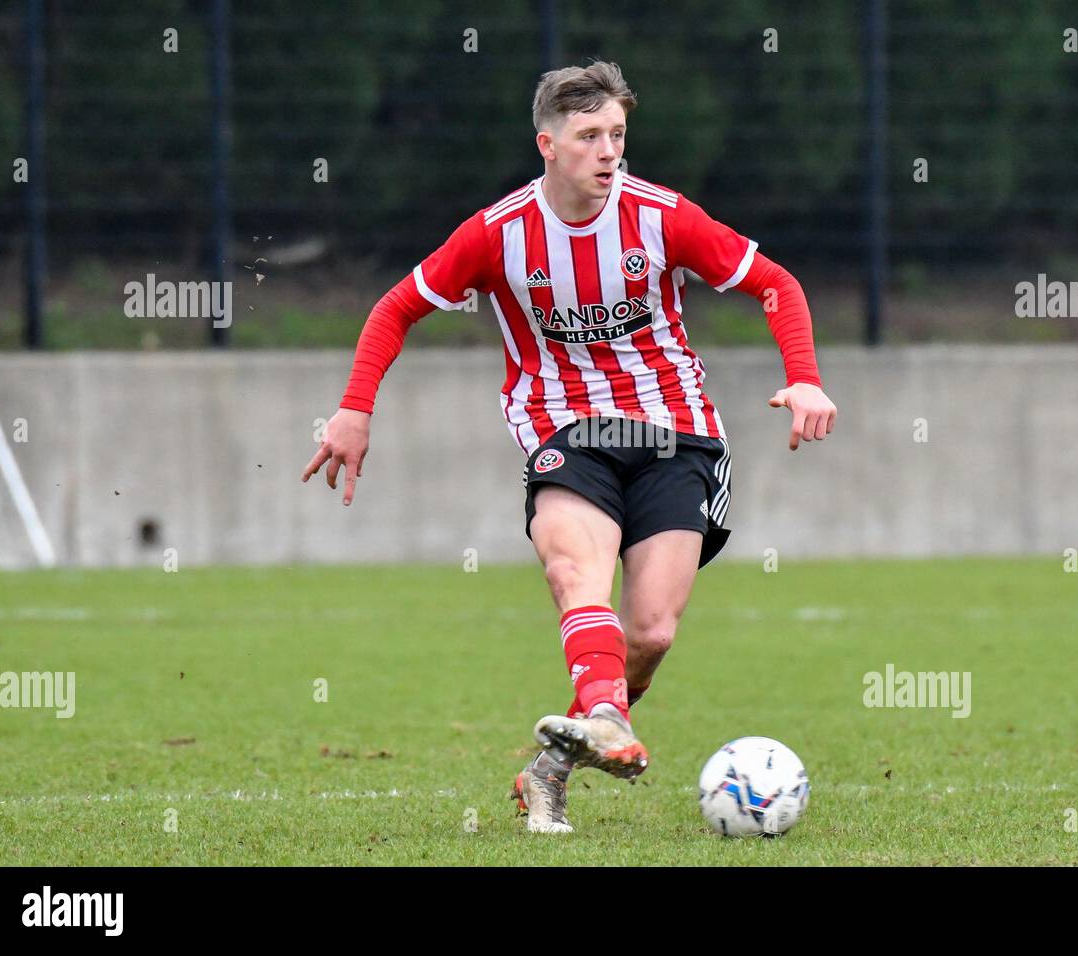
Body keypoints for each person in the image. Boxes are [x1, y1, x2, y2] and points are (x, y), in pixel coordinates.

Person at [302, 61, 837, 833]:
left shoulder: (662, 216)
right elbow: (396, 308)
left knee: (650, 629)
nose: (608, 151)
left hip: (674, 433)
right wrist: (355, 411)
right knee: (573, 571)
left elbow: (776, 284)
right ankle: (610, 722)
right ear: (547, 144)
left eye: (617, 134)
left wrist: (806, 378)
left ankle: (556, 763)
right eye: (589, 136)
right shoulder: (497, 233)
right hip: (566, 432)